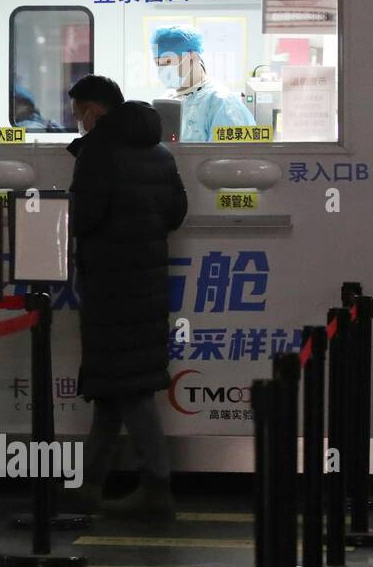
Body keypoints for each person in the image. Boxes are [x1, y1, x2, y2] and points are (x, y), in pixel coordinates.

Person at [66, 75, 188, 519]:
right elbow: (176, 212)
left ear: (94, 111)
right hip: (146, 283)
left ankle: (157, 486)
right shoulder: (160, 153)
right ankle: (91, 483)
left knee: (129, 388)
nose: (78, 122)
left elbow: (82, 220)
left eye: (79, 113)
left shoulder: (98, 154)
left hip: (110, 286)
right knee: (112, 386)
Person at [151, 25, 255, 142]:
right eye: (158, 64)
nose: (163, 69)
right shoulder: (165, 102)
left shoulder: (222, 103)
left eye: (168, 61)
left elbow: (230, 157)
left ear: (192, 56)